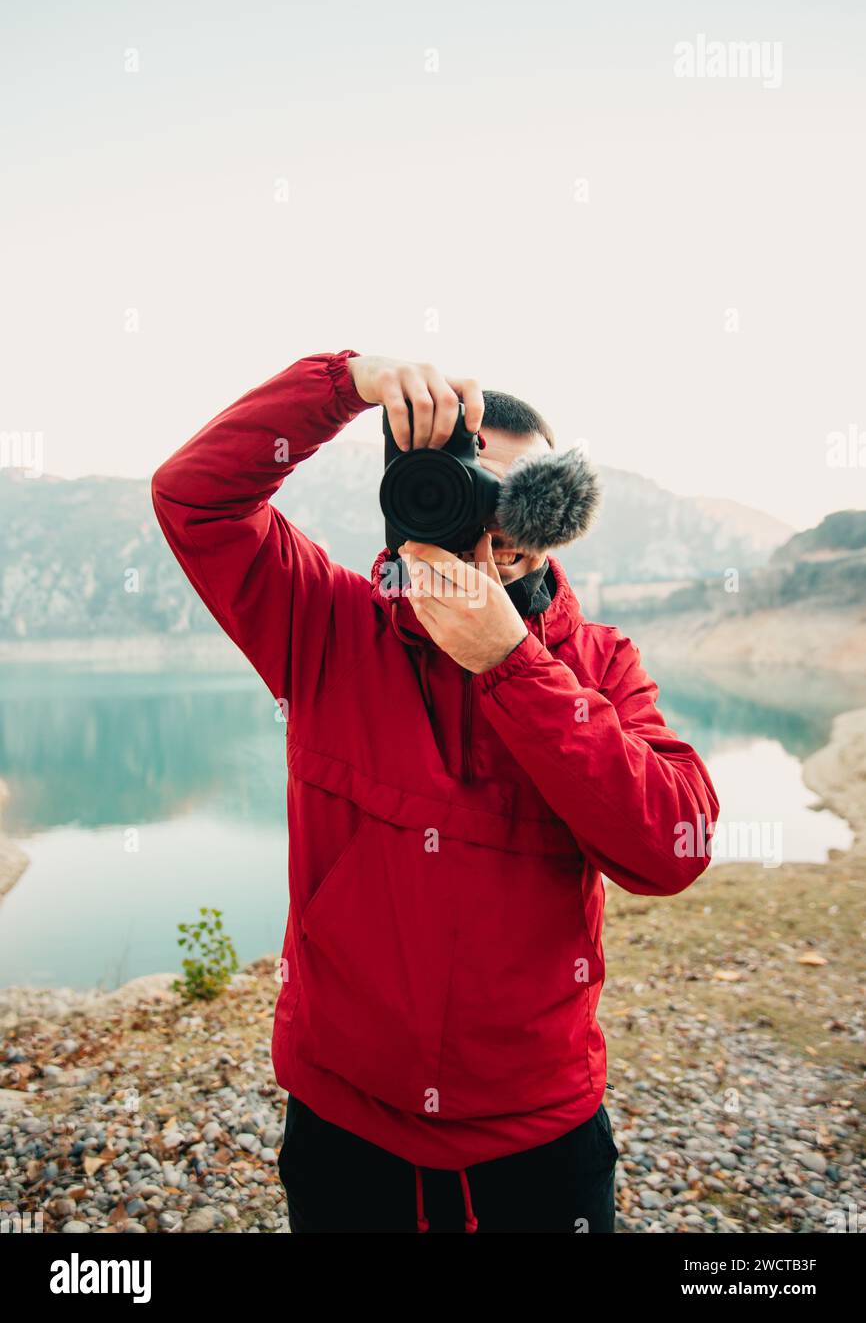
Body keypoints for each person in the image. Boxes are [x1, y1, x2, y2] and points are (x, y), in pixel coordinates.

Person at [152, 350, 720, 1234]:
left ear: (558, 515)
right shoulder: (328, 626)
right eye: (462, 488)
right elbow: (195, 498)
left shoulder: (599, 663)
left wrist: (513, 664)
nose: (491, 524)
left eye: (520, 498)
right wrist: (346, 384)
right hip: (347, 1121)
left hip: (538, 1129)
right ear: (410, 495)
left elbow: (672, 847)